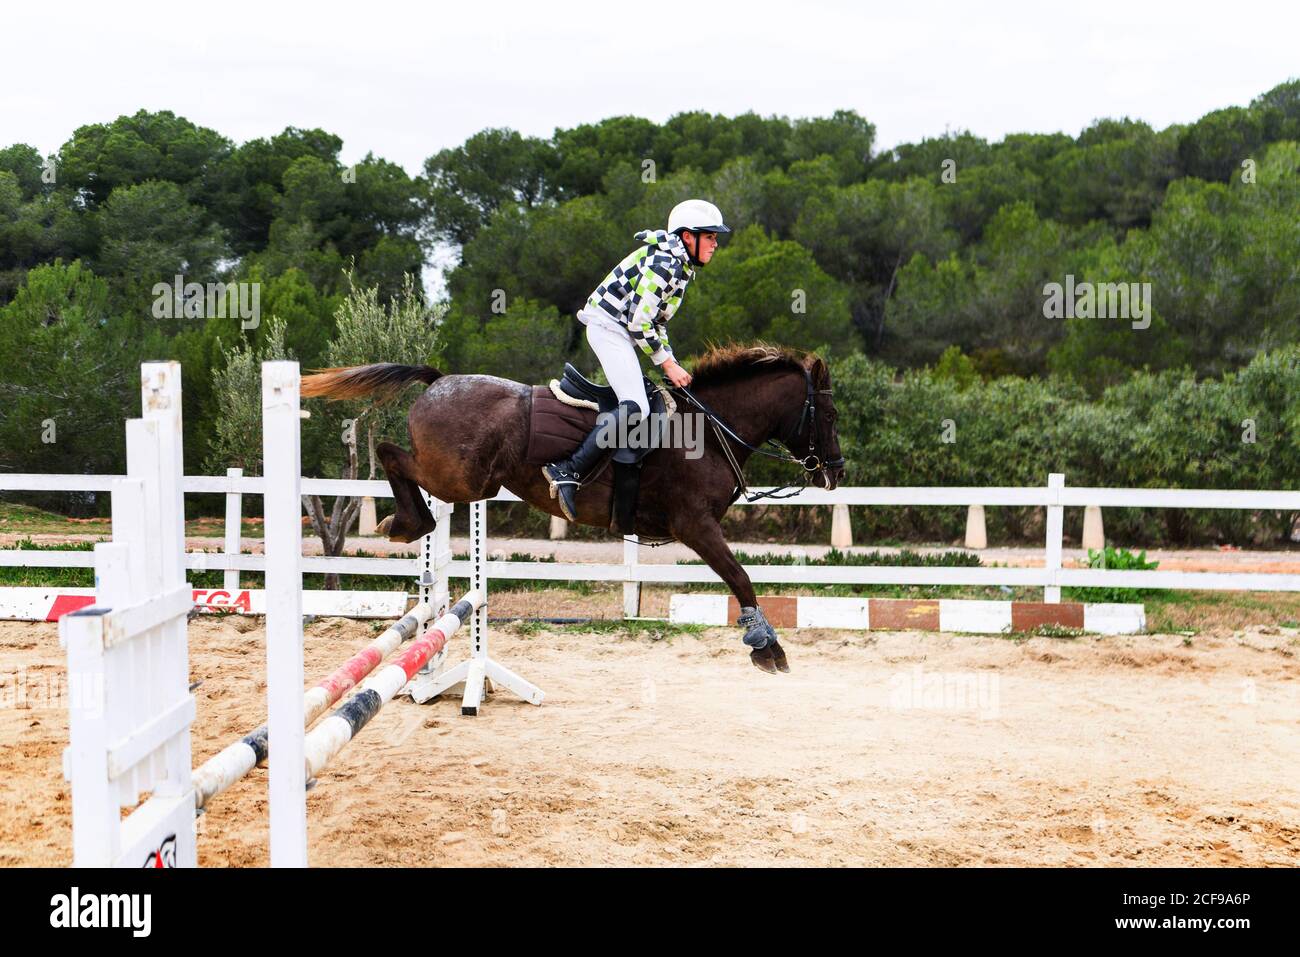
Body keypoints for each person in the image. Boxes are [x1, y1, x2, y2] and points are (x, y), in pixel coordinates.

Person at [542, 199, 729, 521]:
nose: (715, 243)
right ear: (688, 237)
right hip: (608, 328)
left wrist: (669, 359)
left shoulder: (678, 264)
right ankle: (566, 469)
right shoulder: (665, 263)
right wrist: (667, 363)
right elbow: (640, 324)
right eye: (710, 236)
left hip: (619, 331)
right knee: (636, 407)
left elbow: (656, 323)